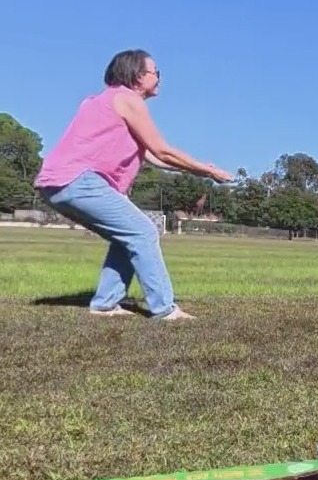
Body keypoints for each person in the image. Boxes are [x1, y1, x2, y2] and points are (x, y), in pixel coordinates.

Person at [35, 49, 232, 320]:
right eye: (156, 73)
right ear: (138, 77)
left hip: (55, 185)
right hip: (80, 181)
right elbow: (162, 150)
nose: (160, 79)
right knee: (144, 232)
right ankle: (165, 309)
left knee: (128, 235)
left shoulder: (102, 101)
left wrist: (200, 172)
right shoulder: (127, 99)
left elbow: (152, 156)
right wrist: (206, 168)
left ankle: (105, 304)